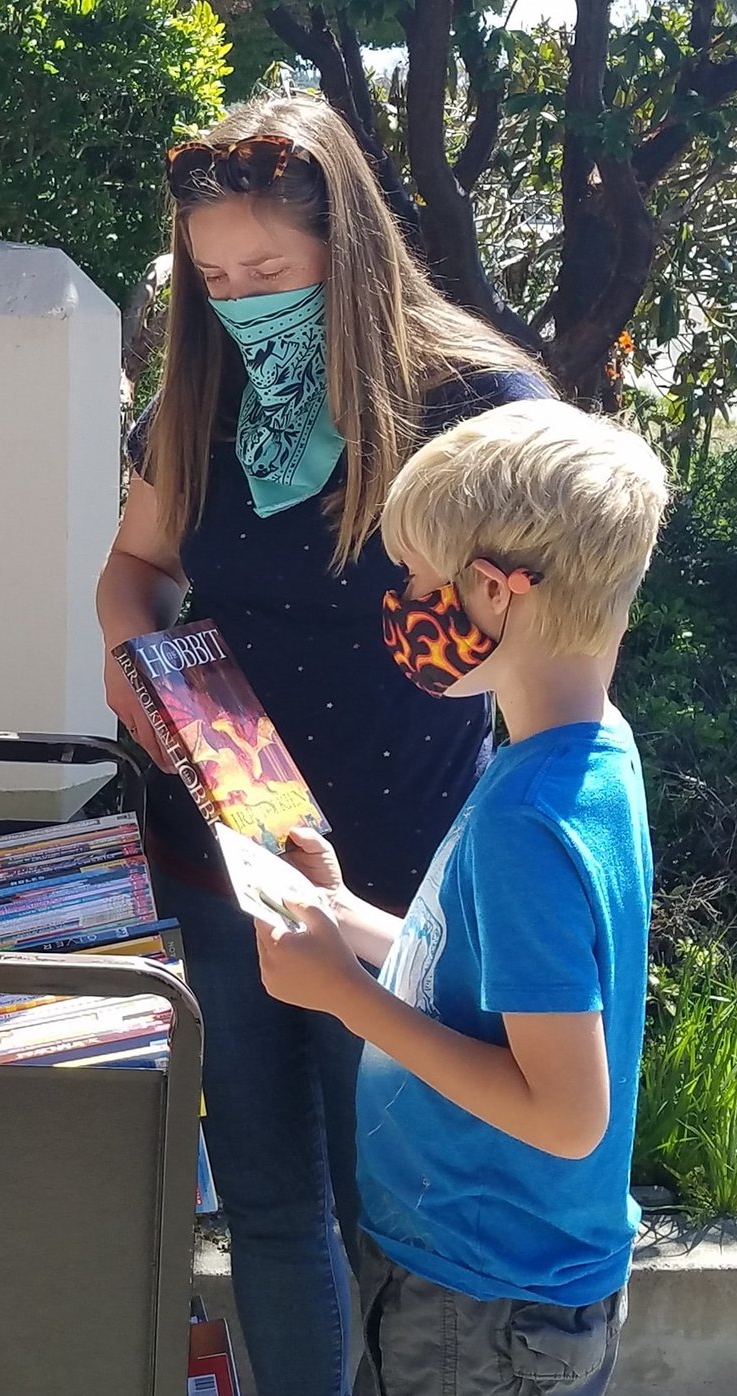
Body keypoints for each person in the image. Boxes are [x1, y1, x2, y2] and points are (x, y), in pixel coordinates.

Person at [96, 92, 551, 1396]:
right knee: (271, 1200)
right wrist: (140, 672)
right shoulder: (198, 394)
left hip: (403, 887)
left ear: (344, 252)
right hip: (221, 858)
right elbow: (134, 571)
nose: (239, 302)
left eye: (271, 272)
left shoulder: (474, 400)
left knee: (399, 1207)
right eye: (214, 276)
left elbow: (545, 631)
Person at [256, 399, 667, 1395]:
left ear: (491, 593)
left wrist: (345, 1000)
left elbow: (565, 1113)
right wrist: (353, 923)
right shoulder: (585, 754)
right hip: (492, 1283)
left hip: (481, 1304)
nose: (399, 601)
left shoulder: (527, 818)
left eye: (412, 580)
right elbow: (513, 979)